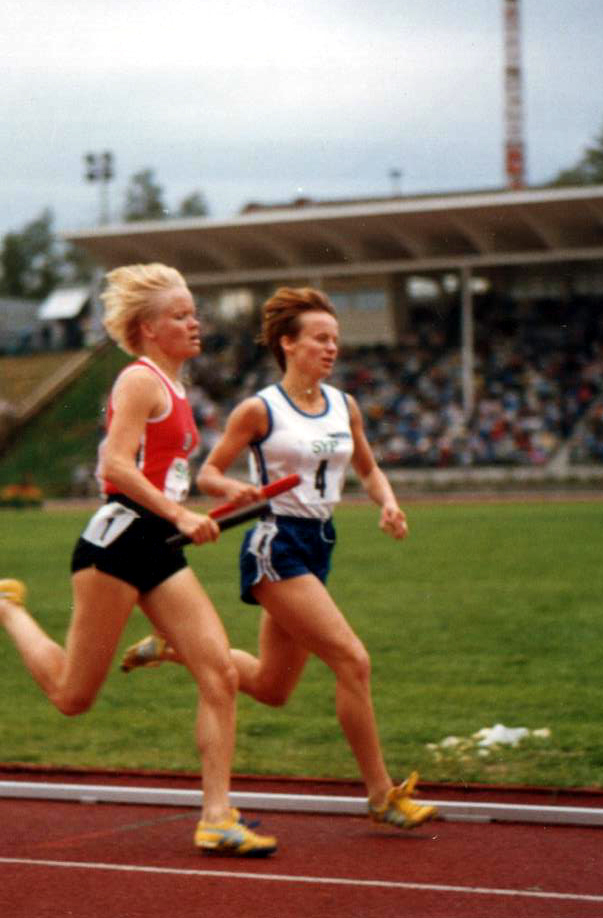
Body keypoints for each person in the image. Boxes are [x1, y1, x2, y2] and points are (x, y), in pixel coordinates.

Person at [0, 263, 276, 858]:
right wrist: (178, 517)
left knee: (219, 673)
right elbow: (116, 466)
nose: (195, 323)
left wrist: (214, 500)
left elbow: (162, 478)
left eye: (194, 312)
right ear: (149, 328)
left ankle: (217, 817)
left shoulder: (176, 387)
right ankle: (4, 607)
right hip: (117, 545)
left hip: (159, 547)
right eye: (181, 315)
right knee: (74, 696)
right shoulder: (139, 380)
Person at [121, 287, 436, 831]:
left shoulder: (345, 405)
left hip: (319, 543)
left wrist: (388, 503)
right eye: (320, 339)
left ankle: (175, 650)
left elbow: (367, 467)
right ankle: (381, 795)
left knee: (272, 687)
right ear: (288, 344)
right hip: (276, 544)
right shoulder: (260, 409)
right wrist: (241, 489)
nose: (331, 348)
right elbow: (209, 474)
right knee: (352, 661)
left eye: (335, 340)